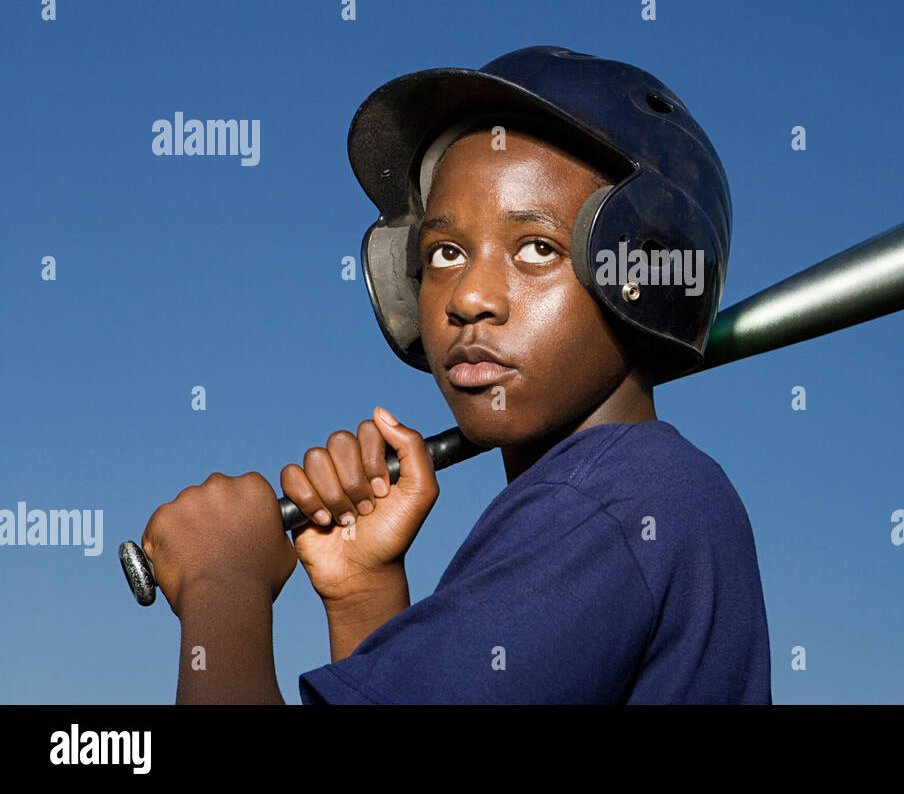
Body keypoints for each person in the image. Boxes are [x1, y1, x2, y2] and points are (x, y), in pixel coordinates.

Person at [141, 46, 771, 703]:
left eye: (535, 248)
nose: (468, 297)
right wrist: (363, 590)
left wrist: (222, 582)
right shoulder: (631, 494)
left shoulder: (619, 499)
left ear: (645, 270)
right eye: (445, 252)